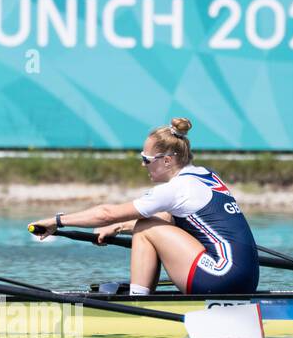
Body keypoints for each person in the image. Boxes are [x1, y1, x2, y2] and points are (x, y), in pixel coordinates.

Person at [29, 118, 260, 295]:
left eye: (146, 159)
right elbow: (168, 219)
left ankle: (138, 298)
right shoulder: (207, 176)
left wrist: (55, 221)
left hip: (219, 277)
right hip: (248, 278)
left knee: (144, 226)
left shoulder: (174, 189)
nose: (142, 164)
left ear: (167, 160)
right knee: (148, 222)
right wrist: (118, 228)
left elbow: (106, 213)